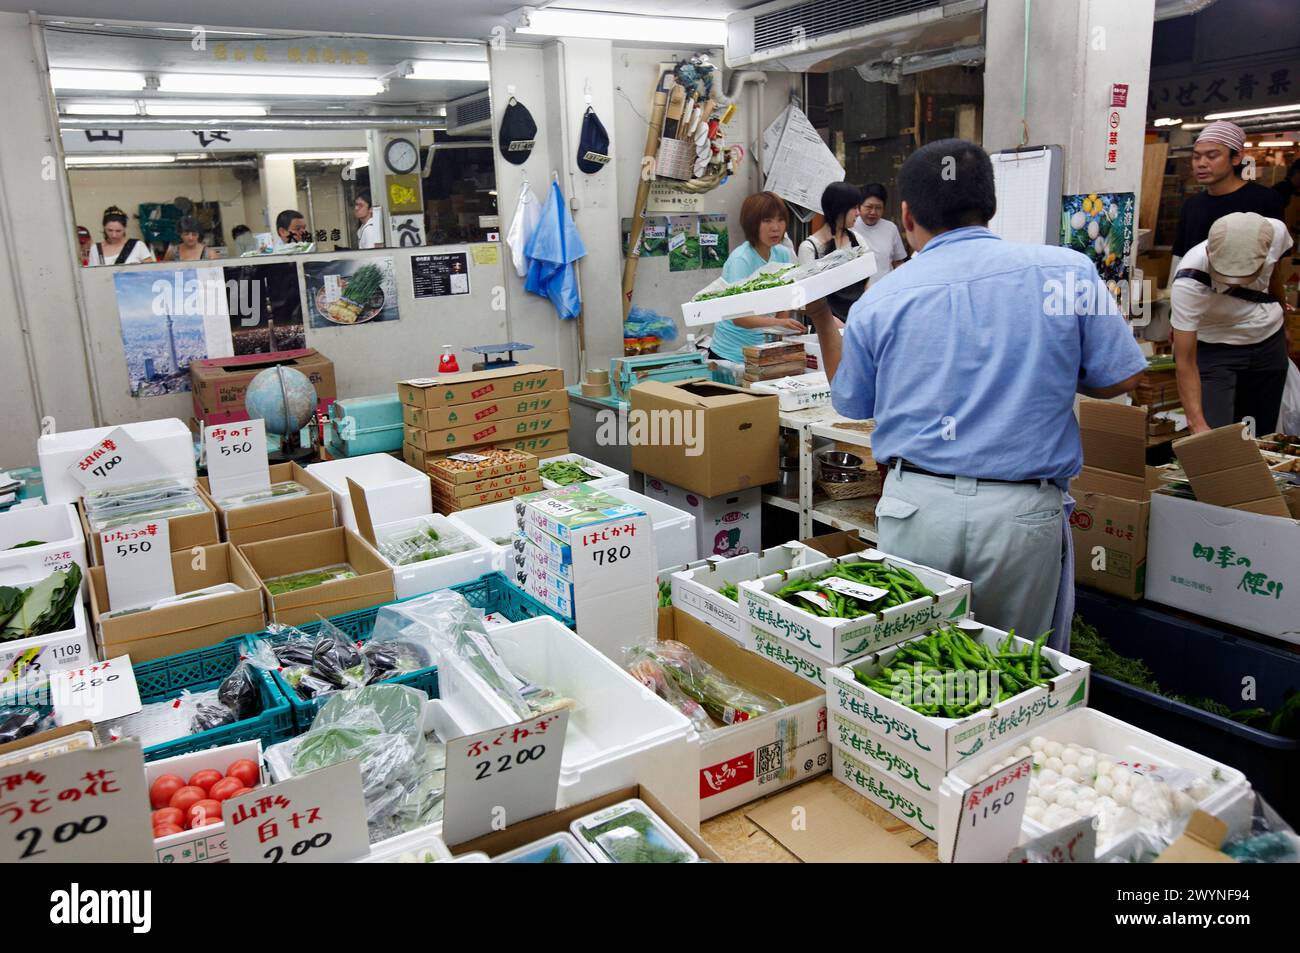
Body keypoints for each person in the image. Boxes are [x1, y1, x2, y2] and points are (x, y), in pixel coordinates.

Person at [805, 139, 1146, 646]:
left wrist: (822, 322)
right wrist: (1043, 365)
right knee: (1015, 675)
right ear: (991, 204)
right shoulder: (1067, 272)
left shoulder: (881, 299)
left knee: (913, 667)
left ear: (905, 215)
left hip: (915, 507)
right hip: (1021, 513)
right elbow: (1120, 377)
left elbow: (854, 404)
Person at [1171, 212, 1293, 435]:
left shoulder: (1275, 232)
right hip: (1216, 347)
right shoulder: (1188, 282)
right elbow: (1185, 360)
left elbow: (1275, 276)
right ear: (1209, 251)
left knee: (1259, 433)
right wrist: (1196, 422)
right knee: (1215, 439)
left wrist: (1283, 323)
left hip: (1268, 342)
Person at [1172, 121, 1286, 270]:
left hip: (1245, 291)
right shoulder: (1191, 205)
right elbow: (1180, 256)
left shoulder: (1265, 200)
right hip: (1194, 290)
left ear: (1236, 158)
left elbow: (1277, 261)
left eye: (1212, 156)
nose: (1201, 163)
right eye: (1196, 157)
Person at [708, 191, 805, 362]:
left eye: (780, 220)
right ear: (752, 223)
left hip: (764, 349)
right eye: (767, 220)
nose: (775, 227)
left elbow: (784, 301)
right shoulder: (741, 260)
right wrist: (780, 324)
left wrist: (780, 338)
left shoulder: (782, 254)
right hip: (730, 355)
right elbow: (739, 318)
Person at [797, 181, 868, 320]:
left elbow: (866, 286)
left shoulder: (858, 240)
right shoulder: (810, 248)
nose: (858, 213)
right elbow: (808, 300)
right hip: (825, 330)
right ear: (839, 209)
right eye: (854, 207)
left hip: (857, 322)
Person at [851, 183, 909, 284]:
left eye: (878, 208)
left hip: (886, 290)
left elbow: (898, 261)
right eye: (869, 207)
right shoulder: (851, 227)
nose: (873, 212)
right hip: (859, 293)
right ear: (859, 207)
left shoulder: (890, 228)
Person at [86, 206, 155, 266]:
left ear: (125, 228)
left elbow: (150, 271)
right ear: (104, 228)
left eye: (118, 231)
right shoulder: (96, 249)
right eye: (110, 230)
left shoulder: (138, 245)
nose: (114, 235)